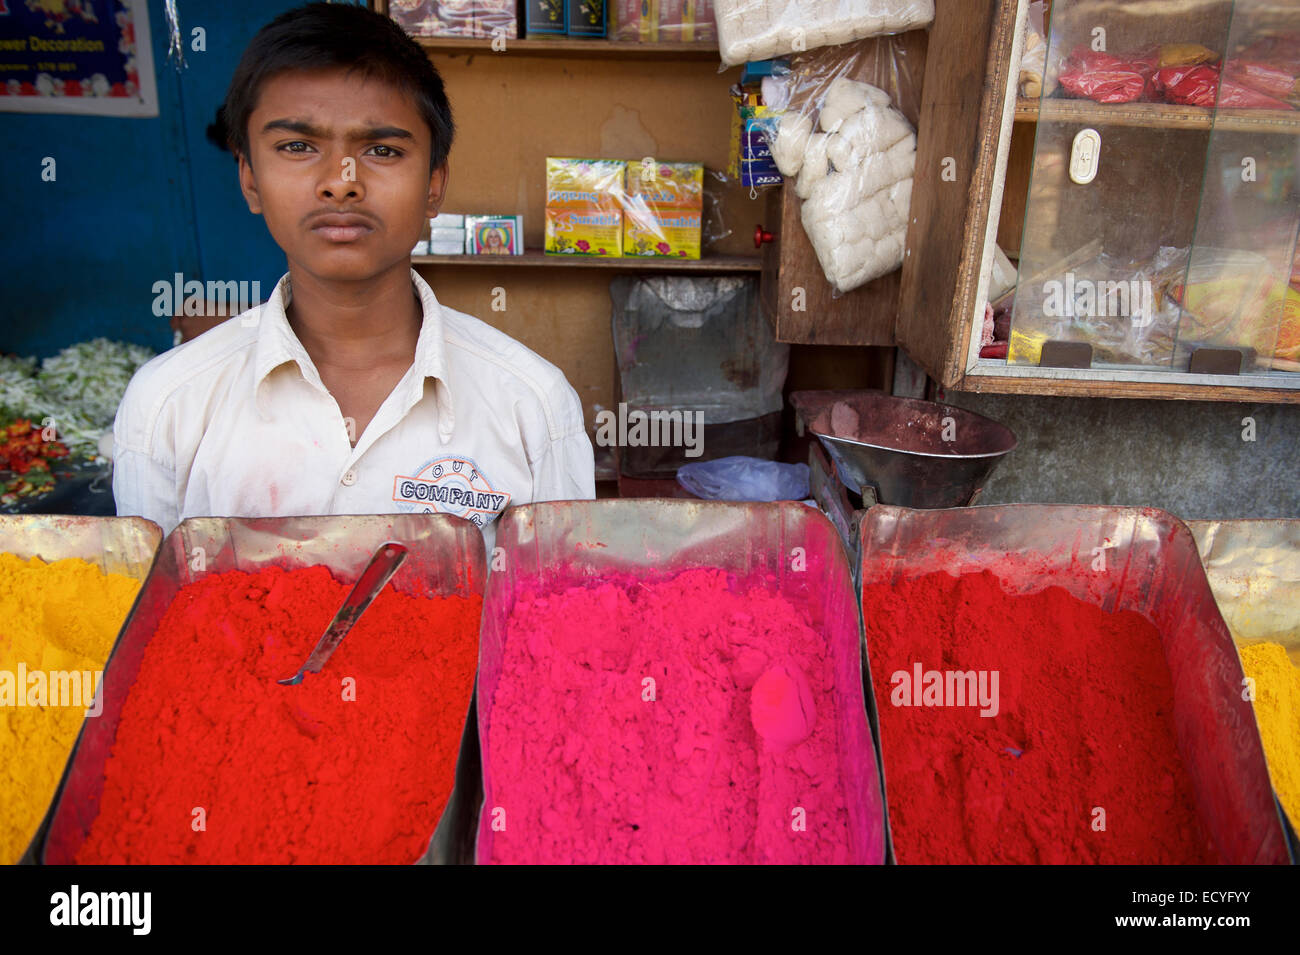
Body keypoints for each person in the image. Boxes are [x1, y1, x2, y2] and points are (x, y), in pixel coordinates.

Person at [112, 3, 594, 548]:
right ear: (250, 179)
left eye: (382, 150)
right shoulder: (169, 404)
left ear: (434, 184)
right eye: (297, 146)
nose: (341, 183)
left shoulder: (531, 403)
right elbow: (148, 617)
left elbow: (556, 611)